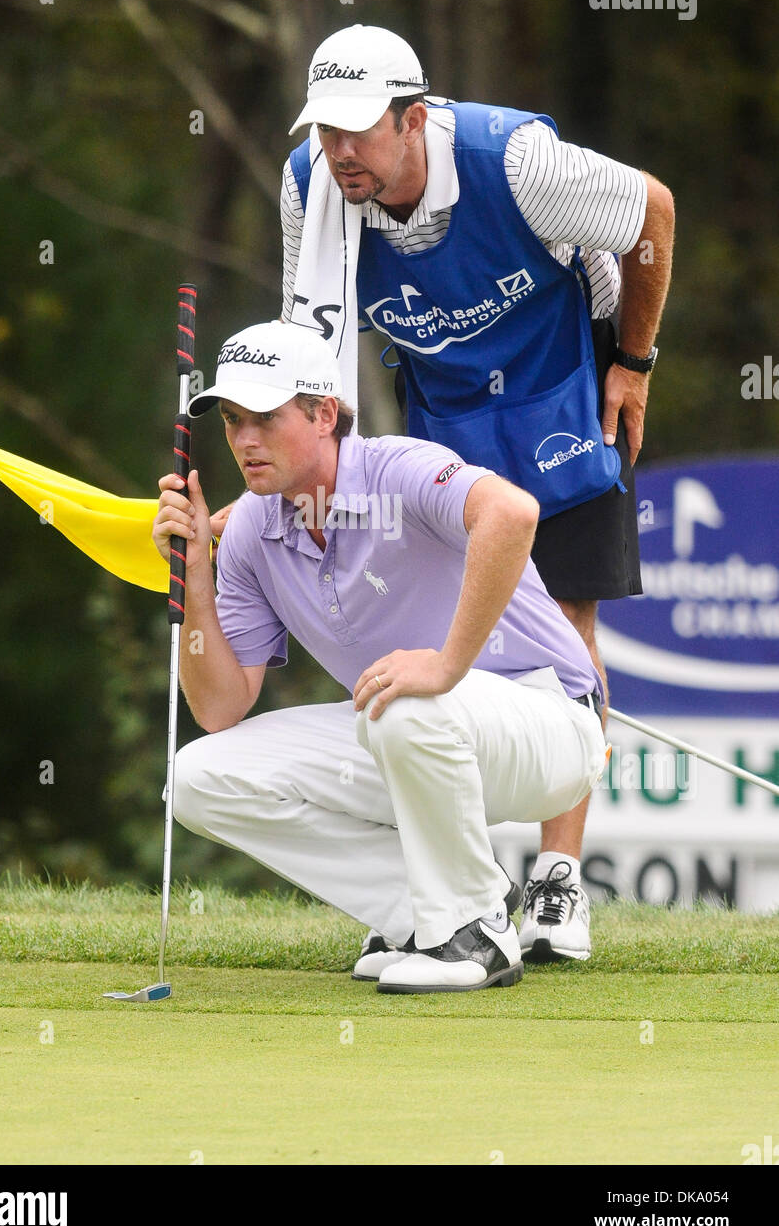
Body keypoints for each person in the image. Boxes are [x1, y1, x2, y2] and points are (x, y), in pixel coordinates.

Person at [280, 24, 675, 961]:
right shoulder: (310, 186)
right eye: (323, 132)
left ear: (413, 119)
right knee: (438, 634)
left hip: (563, 394)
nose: (337, 153)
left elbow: (652, 215)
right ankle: (458, 888)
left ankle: (558, 882)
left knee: (563, 633)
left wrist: (635, 363)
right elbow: (311, 340)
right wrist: (308, 469)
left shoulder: (517, 160)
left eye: (357, 132)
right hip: (445, 415)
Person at [152, 321, 608, 995]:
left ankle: (474, 936)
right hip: (414, 730)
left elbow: (511, 513)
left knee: (403, 702)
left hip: (549, 726)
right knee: (197, 776)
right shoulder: (250, 527)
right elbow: (220, 708)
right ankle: (423, 913)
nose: (245, 440)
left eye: (266, 418)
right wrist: (195, 582)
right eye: (231, 420)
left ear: (324, 414)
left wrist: (447, 663)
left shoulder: (397, 467)